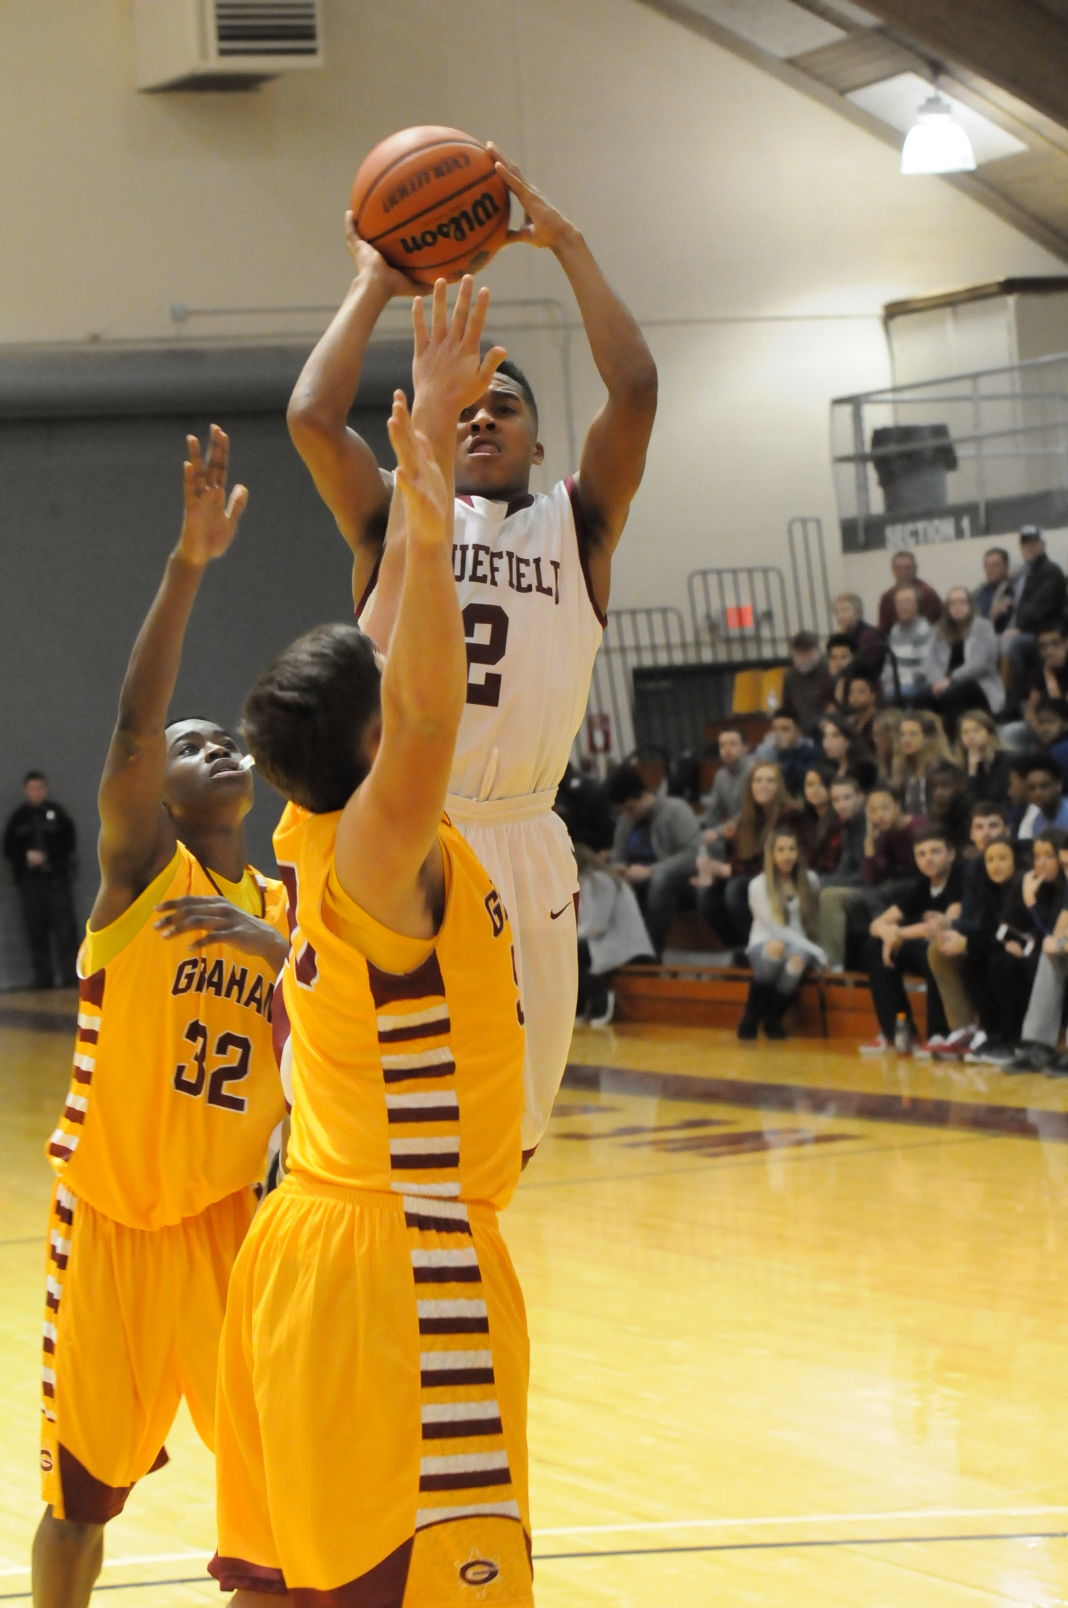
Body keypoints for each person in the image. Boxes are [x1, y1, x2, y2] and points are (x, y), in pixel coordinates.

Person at [213, 288, 535, 1604]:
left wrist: (421, 479)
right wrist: (424, 478)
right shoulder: (379, 856)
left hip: (304, 1253)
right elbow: (424, 707)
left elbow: (383, 652)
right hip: (407, 1277)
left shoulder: (306, 833)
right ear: (374, 752)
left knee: (306, 1585)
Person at [286, 144, 657, 1160]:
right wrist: (372, 281)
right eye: (470, 402)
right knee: (369, 1124)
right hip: (403, 829)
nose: (485, 413)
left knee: (506, 1140)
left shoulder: (575, 530)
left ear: (541, 444)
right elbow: (313, 419)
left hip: (525, 841)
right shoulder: (399, 519)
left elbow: (633, 389)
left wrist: (568, 245)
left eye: (509, 404)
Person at [32, 428, 290, 1608]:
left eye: (226, 733)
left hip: (234, 1223)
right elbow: (134, 731)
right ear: (163, 789)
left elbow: (359, 1022)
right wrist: (188, 566)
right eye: (194, 745)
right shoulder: (144, 877)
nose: (215, 744)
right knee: (78, 1497)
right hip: (117, 1224)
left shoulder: (287, 905)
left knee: (277, 1483)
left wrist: (282, 953)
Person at [860, 828, 962, 1055]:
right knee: (874, 946)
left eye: (935, 851)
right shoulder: (921, 886)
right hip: (924, 944)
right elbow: (877, 923)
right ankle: (897, 1032)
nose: (928, 858)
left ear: (951, 854)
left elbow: (944, 924)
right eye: (921, 854)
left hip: (957, 950)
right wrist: (887, 933)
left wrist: (898, 934)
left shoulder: (960, 880)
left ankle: (939, 1034)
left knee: (936, 950)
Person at [696, 761, 800, 956]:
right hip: (752, 873)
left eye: (770, 780)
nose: (763, 785)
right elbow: (742, 856)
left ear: (780, 786)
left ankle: (755, 947)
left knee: (735, 889)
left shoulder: (790, 814)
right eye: (757, 780)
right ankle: (736, 949)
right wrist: (719, 869)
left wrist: (731, 870)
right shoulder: (748, 815)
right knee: (707, 895)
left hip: (782, 875)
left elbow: (779, 860)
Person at [606, 762, 702, 960]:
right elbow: (617, 854)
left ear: (643, 796)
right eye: (623, 811)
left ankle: (652, 951)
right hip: (638, 879)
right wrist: (620, 869)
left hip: (680, 881)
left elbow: (693, 854)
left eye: (631, 809)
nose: (628, 815)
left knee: (661, 879)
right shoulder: (626, 819)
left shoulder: (675, 810)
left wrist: (651, 870)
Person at [736, 828, 825, 1041]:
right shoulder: (758, 885)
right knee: (776, 948)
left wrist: (814, 948)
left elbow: (814, 919)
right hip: (764, 941)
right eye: (781, 850)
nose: (787, 855)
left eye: (792, 849)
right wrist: (815, 950)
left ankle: (773, 1018)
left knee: (795, 961)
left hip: (800, 943)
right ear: (771, 854)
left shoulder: (810, 880)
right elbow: (775, 929)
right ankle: (751, 1016)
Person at [3, 772, 79, 989]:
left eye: (39, 788)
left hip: (56, 880)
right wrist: (26, 857)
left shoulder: (56, 813)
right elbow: (9, 848)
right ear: (26, 791)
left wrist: (50, 857)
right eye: (32, 788)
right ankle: (43, 977)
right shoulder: (19, 819)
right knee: (36, 930)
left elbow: (68, 842)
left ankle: (69, 976)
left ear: (44, 789)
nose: (36, 792)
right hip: (31, 884)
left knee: (65, 930)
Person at [575, 841, 655, 1026]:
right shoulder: (586, 881)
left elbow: (597, 925)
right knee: (565, 953)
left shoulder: (599, 880)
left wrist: (567, 937)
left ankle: (600, 997)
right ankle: (580, 1006)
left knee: (568, 953)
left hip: (622, 944)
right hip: (601, 940)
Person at [923, 585, 1005, 736]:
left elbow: (981, 663)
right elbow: (930, 661)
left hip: (977, 685)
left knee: (954, 692)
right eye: (952, 603)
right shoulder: (938, 630)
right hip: (945, 684)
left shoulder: (983, 626)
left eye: (962, 601)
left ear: (970, 605)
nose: (957, 606)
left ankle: (956, 742)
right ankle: (931, 743)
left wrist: (950, 679)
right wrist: (937, 682)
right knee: (922, 696)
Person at [1000, 525, 1066, 696]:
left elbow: (1041, 606)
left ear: (1043, 545)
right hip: (1018, 626)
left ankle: (1013, 700)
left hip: (1041, 629)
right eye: (1025, 544)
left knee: (1013, 645)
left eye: (1034, 543)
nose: (1029, 547)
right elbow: (1014, 602)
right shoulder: (1021, 573)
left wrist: (1019, 627)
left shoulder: (1052, 571)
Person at [889, 709, 950, 819]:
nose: (905, 740)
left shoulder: (943, 769)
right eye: (902, 735)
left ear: (929, 738)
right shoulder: (902, 769)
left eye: (913, 734)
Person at [882, 583, 934, 706]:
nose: (902, 607)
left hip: (917, 685)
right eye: (898, 603)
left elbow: (925, 669)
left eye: (907, 602)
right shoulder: (895, 630)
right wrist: (886, 683)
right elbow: (889, 664)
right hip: (895, 686)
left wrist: (899, 684)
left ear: (918, 605)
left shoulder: (924, 630)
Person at [876, 549, 943, 637]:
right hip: (895, 643)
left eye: (908, 568)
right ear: (893, 570)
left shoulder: (928, 594)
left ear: (915, 569)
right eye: (898, 568)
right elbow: (883, 631)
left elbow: (940, 626)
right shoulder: (887, 597)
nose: (903, 573)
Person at [755, 708, 818, 798]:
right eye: (775, 729)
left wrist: (786, 753)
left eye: (785, 729)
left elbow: (799, 784)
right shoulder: (766, 752)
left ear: (798, 732)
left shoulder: (810, 753)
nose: (778, 734)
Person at [782, 630, 834, 736]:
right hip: (799, 733)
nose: (802, 656)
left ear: (817, 651)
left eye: (806, 651)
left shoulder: (830, 671)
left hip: (827, 731)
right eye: (798, 652)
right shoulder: (790, 676)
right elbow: (787, 708)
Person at [955, 709, 1011, 804]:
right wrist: (972, 771)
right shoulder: (959, 766)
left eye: (977, 730)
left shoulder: (1006, 760)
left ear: (989, 733)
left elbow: (996, 796)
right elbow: (967, 803)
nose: (971, 736)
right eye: (965, 732)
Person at [974, 546, 1014, 634]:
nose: (990, 569)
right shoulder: (979, 591)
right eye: (987, 566)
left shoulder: (1012, 590)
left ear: (1006, 567)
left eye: (995, 565)